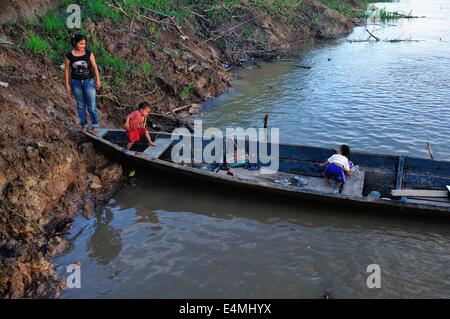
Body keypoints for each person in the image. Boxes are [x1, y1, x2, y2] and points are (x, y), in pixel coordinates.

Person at [64, 33, 101, 134]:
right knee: (80, 106)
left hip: (89, 82)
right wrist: (67, 84)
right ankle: (84, 125)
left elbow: (94, 66)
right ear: (75, 43)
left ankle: (95, 125)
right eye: (80, 44)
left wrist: (98, 79)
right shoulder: (69, 56)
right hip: (76, 83)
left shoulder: (88, 53)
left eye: (84, 44)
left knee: (91, 105)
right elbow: (67, 70)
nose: (83, 46)